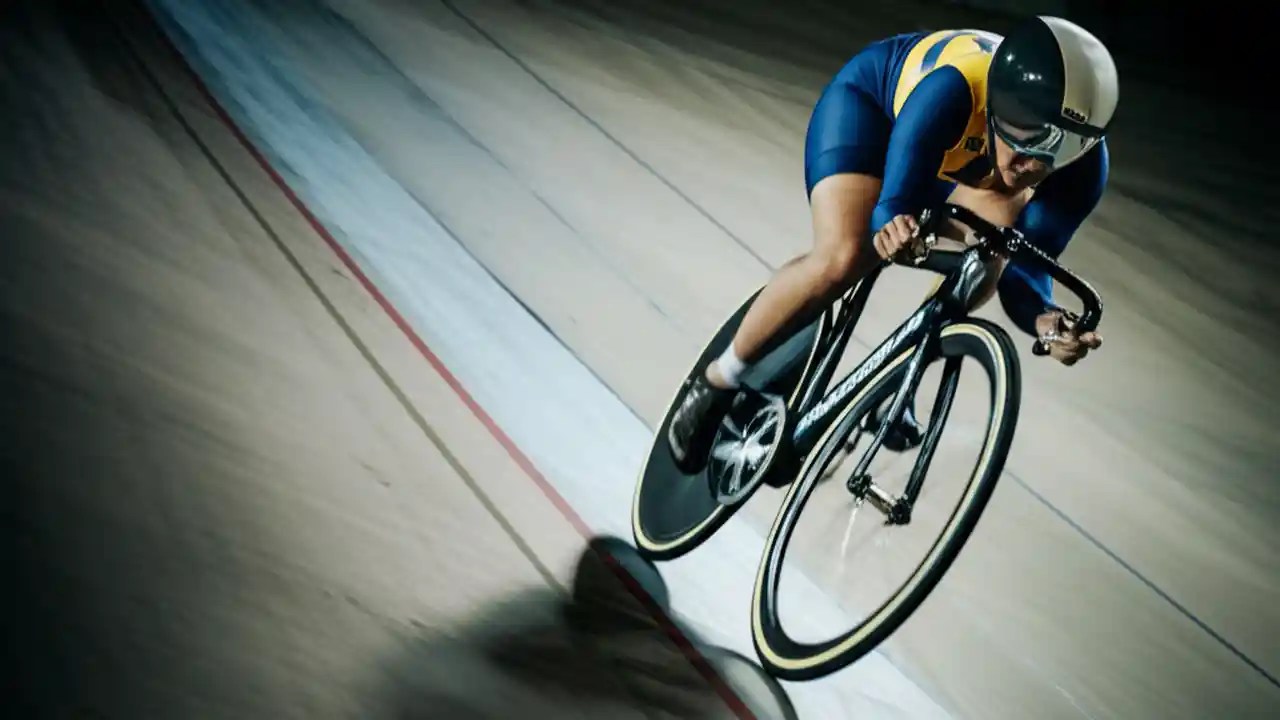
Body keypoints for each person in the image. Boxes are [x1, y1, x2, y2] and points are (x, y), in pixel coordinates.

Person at [668, 15, 1118, 475]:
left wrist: (1044, 319)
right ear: (1000, 103)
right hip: (873, 113)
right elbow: (894, 203)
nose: (1030, 162)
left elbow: (1028, 269)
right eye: (1025, 133)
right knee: (843, 257)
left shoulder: (1084, 169)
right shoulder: (953, 89)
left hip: (956, 153)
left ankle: (896, 380)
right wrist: (894, 224)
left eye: (1058, 149)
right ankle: (717, 380)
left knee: (994, 251)